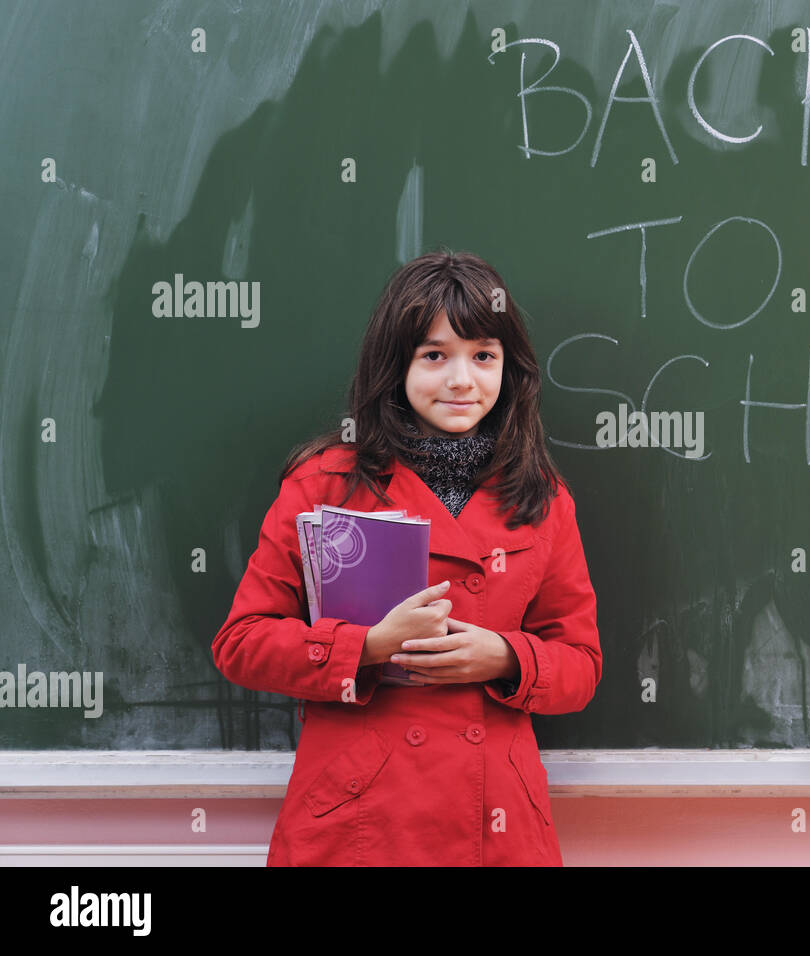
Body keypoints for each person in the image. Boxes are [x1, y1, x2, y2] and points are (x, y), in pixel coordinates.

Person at [211, 249, 601, 866]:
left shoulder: (543, 499)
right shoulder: (325, 483)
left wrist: (503, 656)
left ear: (509, 369)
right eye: (434, 356)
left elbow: (580, 664)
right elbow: (241, 643)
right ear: (396, 367)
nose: (461, 380)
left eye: (484, 356)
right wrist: (365, 647)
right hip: (360, 821)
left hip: (493, 825)